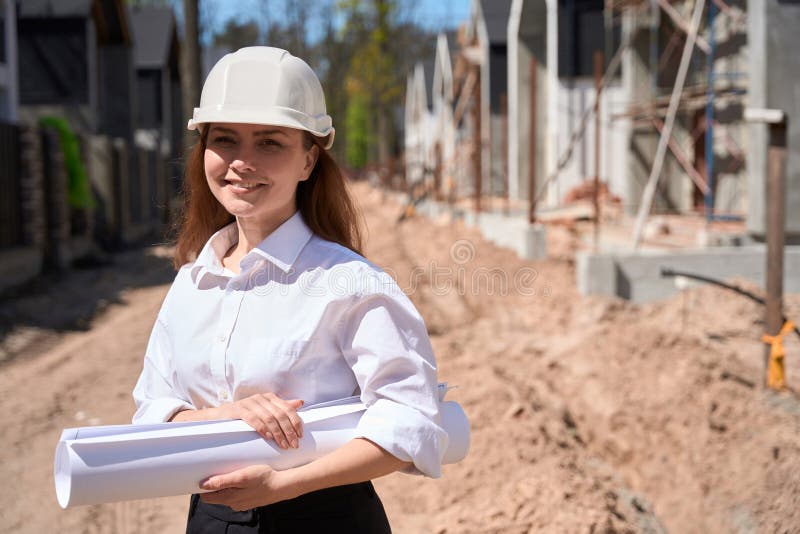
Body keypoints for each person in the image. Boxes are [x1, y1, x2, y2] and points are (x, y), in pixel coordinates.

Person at [131, 46, 447, 533]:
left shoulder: (350, 283)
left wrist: (284, 485)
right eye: (225, 139)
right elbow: (152, 410)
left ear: (308, 161)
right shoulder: (193, 282)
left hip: (323, 517)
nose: (242, 162)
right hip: (211, 520)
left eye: (270, 143)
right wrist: (224, 416)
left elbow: (410, 422)